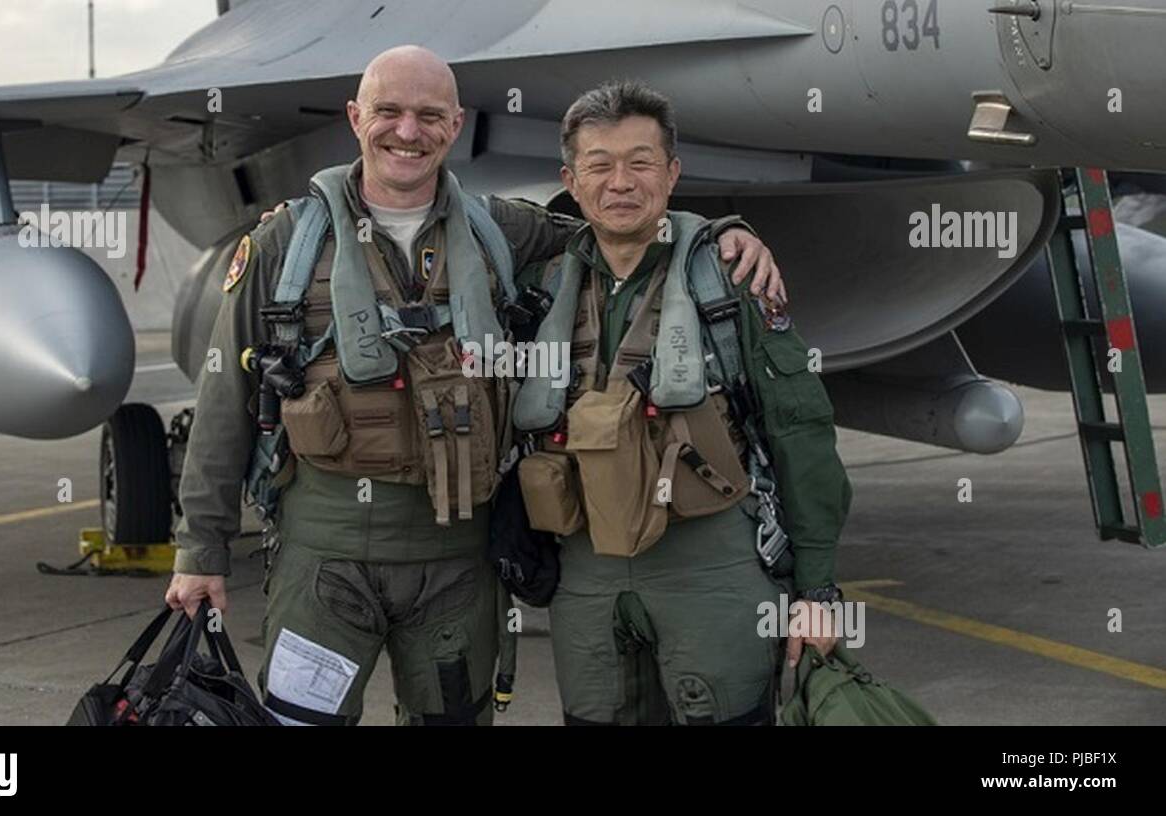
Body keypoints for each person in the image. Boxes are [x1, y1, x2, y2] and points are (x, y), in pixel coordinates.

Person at [165, 46, 784, 726]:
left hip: (457, 563)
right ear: (355, 118)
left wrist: (721, 234)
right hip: (326, 561)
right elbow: (224, 399)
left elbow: (618, 231)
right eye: (389, 113)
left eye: (429, 115)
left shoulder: (503, 231)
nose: (408, 132)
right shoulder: (287, 244)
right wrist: (202, 551)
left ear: (455, 125)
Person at [511, 80, 851, 725]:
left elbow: (801, 431)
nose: (621, 183)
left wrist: (818, 588)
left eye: (640, 163)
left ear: (671, 175)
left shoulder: (729, 281)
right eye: (599, 166)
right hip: (585, 572)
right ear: (570, 180)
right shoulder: (543, 289)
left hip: (712, 568)